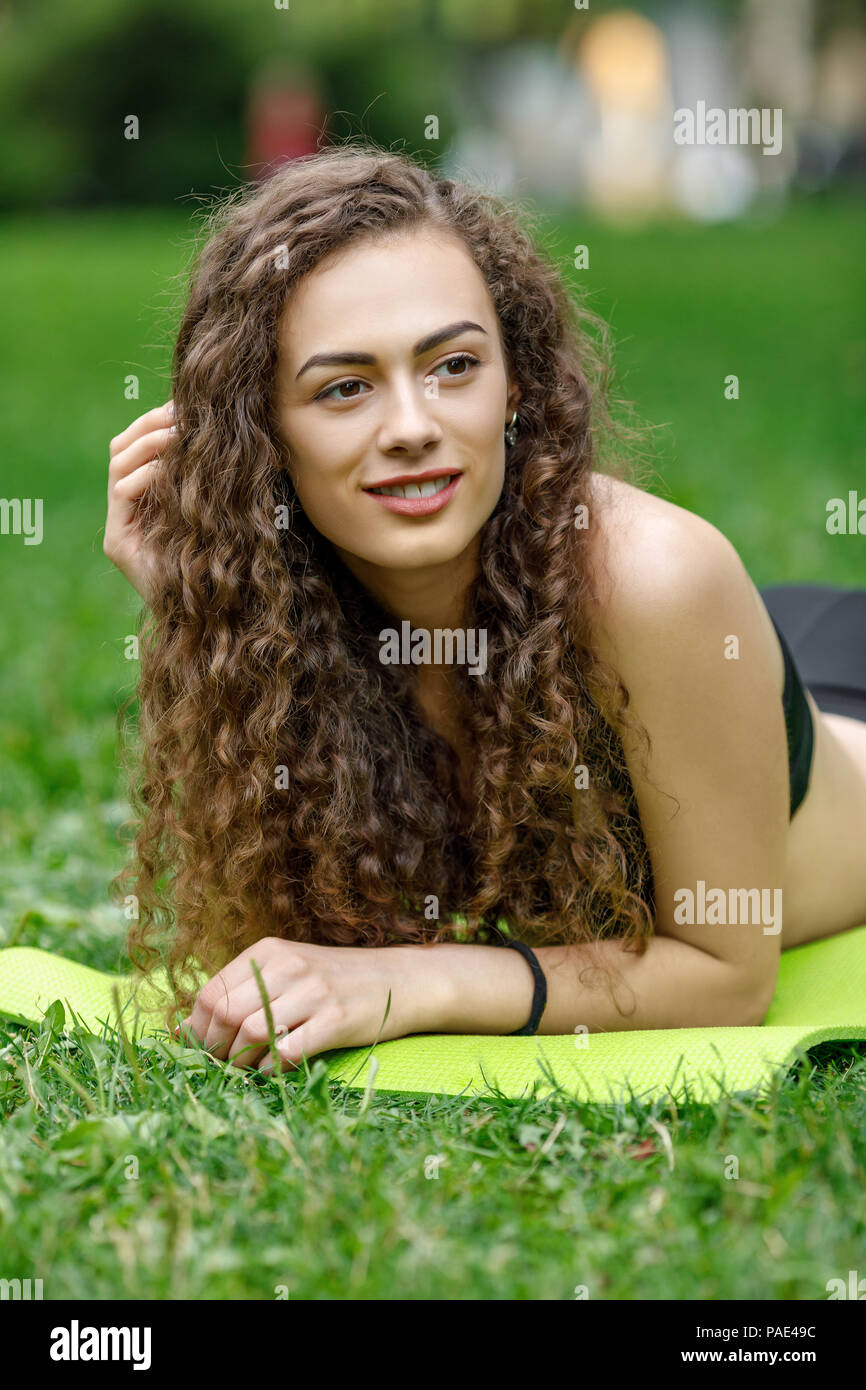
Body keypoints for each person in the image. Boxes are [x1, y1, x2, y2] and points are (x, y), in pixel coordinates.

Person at [103, 144, 866, 1073]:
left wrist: (416, 984)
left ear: (515, 383)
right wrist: (199, 600)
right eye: (343, 388)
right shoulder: (290, 603)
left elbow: (726, 976)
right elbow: (312, 930)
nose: (414, 425)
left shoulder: (656, 579)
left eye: (454, 365)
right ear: (260, 434)